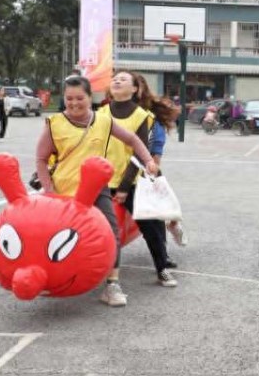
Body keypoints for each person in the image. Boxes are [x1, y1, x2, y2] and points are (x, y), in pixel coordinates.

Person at [35, 76, 159, 307]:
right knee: (53, 238)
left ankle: (112, 285)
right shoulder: (54, 123)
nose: (74, 103)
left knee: (111, 232)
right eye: (69, 98)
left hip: (96, 189)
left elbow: (132, 139)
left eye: (79, 98)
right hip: (63, 193)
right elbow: (41, 159)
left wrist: (148, 160)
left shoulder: (103, 120)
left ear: (90, 98)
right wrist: (49, 191)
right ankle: (51, 279)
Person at [100, 71, 178, 288]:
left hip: (131, 181)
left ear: (135, 89)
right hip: (102, 181)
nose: (116, 80)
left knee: (151, 226)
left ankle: (162, 268)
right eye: (114, 78)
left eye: (123, 79)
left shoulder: (144, 117)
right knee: (97, 227)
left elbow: (138, 153)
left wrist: (124, 187)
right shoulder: (100, 114)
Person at [132, 73, 186, 258]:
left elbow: (156, 151)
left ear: (138, 90)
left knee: (157, 208)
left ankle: (172, 225)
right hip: (121, 167)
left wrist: (151, 171)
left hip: (146, 167)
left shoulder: (150, 117)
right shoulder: (111, 111)